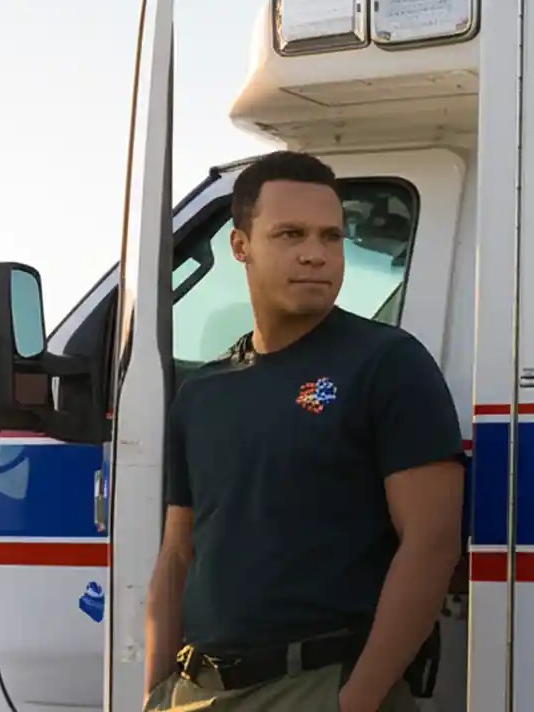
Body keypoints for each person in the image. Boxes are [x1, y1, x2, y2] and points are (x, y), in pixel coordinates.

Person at [142, 151, 465, 712]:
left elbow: (432, 543)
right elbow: (177, 554)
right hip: (196, 692)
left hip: (320, 685)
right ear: (240, 246)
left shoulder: (388, 364)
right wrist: (157, 690)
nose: (315, 254)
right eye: (290, 234)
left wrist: (356, 700)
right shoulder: (202, 393)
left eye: (331, 237)